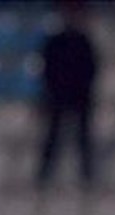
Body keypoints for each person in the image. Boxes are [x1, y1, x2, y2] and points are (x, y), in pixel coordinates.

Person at [36, 1, 97, 186]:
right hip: (58, 96)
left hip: (79, 96)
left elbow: (91, 68)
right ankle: (44, 175)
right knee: (53, 137)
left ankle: (87, 175)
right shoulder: (56, 42)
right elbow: (48, 70)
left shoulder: (83, 41)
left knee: (82, 138)